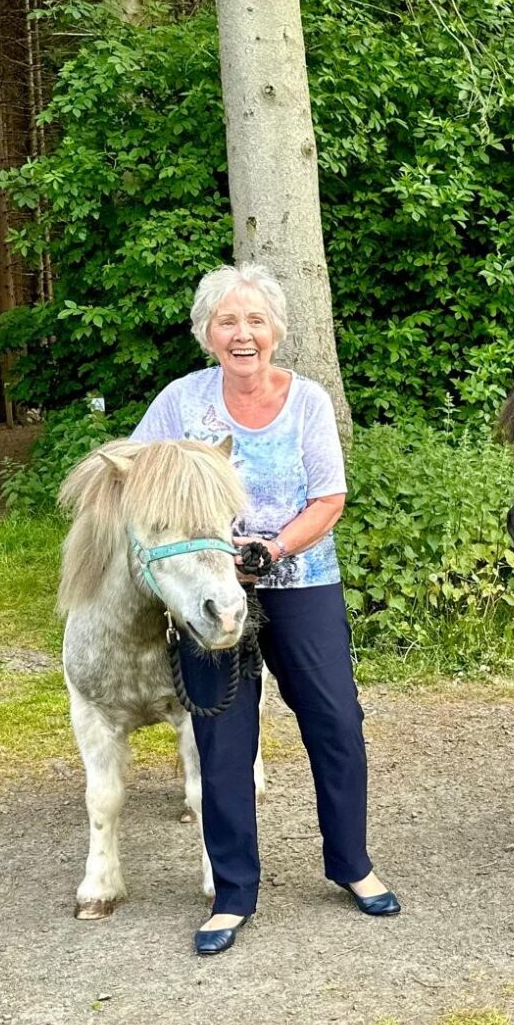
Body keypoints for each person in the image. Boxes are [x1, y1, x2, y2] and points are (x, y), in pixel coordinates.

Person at [131, 263, 399, 955]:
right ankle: (233, 893)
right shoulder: (180, 404)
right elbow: (134, 472)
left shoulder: (305, 401)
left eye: (254, 322)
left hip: (303, 582)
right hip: (207, 594)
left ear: (276, 331)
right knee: (222, 740)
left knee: (336, 722)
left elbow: (329, 500)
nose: (241, 334)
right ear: (206, 334)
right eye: (227, 321)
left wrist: (273, 549)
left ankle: (352, 866)